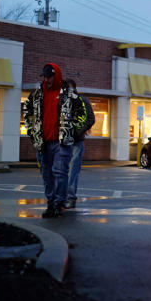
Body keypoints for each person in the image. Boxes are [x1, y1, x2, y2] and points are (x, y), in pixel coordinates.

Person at [22, 63, 83, 218]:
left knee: (60, 172)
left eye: (50, 76)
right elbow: (27, 111)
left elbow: (83, 113)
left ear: (57, 76)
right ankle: (51, 203)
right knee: (47, 174)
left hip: (62, 143)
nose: (47, 79)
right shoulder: (37, 94)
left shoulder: (69, 94)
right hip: (43, 143)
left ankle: (58, 203)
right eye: (45, 76)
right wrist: (32, 131)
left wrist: (73, 131)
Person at [64, 79, 96, 209]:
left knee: (72, 171)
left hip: (76, 142)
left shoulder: (82, 101)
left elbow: (91, 118)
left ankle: (70, 198)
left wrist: (78, 131)